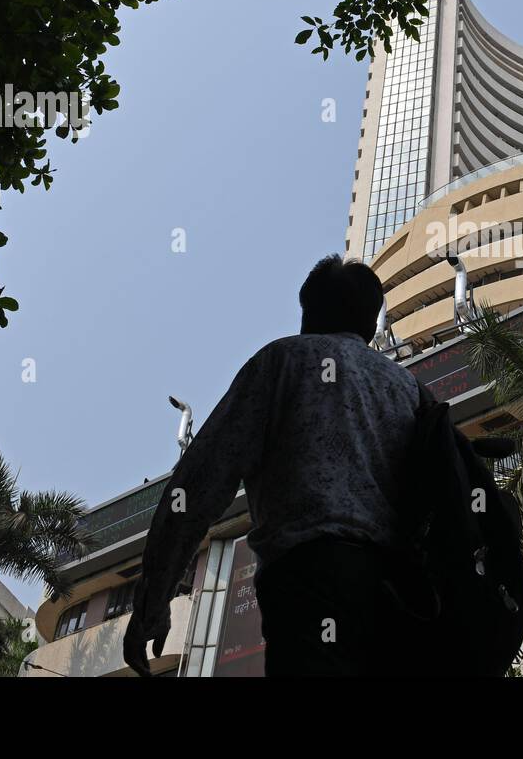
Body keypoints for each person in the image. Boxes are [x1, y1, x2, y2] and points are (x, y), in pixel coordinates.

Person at [122, 254, 422, 676]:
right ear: (371, 325)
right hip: (402, 606)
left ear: (307, 315)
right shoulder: (408, 389)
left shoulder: (280, 363)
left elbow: (195, 487)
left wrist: (153, 605)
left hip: (308, 589)